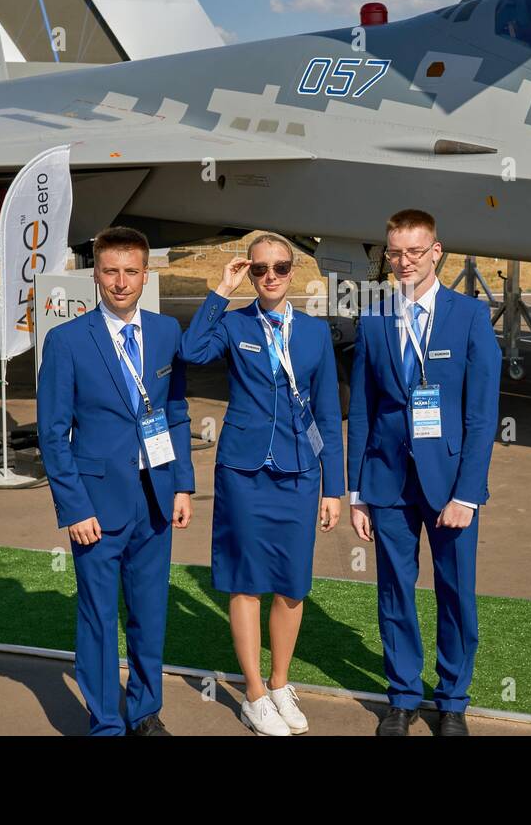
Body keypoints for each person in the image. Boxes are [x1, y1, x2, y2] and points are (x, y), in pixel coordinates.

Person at [181, 234, 344, 735]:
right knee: (246, 581)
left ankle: (279, 682)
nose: (270, 276)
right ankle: (253, 692)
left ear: (292, 271)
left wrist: (334, 488)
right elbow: (190, 352)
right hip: (244, 472)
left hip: (299, 473)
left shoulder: (315, 334)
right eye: (259, 269)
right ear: (248, 271)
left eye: (279, 267)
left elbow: (329, 413)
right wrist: (220, 292)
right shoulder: (234, 323)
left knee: (292, 586)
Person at [347, 209, 501, 736]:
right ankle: (403, 696)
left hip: (450, 486)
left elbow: (482, 417)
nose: (404, 261)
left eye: (415, 251)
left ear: (437, 252)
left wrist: (469, 492)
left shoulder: (470, 317)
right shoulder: (374, 318)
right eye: (395, 252)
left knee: (455, 592)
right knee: (394, 590)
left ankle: (452, 700)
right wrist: (356, 491)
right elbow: (363, 411)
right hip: (387, 480)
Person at [36, 226, 195, 736]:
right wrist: (74, 508)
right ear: (95, 275)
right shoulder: (66, 341)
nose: (121, 282)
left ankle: (145, 712)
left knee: (150, 617)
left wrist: (183, 485)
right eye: (110, 272)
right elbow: (53, 434)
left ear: (146, 274)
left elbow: (175, 413)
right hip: (97, 508)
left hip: (156, 500)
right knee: (100, 621)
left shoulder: (168, 332)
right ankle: (105, 721)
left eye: (131, 272)